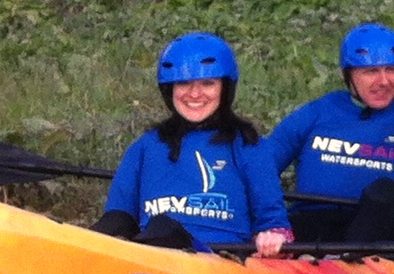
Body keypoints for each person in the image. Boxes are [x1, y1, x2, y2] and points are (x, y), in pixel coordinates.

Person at [93, 32, 293, 256]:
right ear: (170, 90)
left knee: (163, 226)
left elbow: (275, 224)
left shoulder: (249, 145)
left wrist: (272, 237)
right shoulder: (145, 146)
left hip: (223, 261)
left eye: (208, 83)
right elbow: (118, 218)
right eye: (184, 83)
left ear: (225, 89)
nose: (195, 94)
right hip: (152, 259)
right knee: (115, 222)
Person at [266, 23, 394, 243]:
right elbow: (259, 171)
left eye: (391, 70)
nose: (384, 81)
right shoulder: (315, 113)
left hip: (374, 236)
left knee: (384, 191)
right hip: (310, 226)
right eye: (371, 71)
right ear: (348, 75)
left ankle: (343, 262)